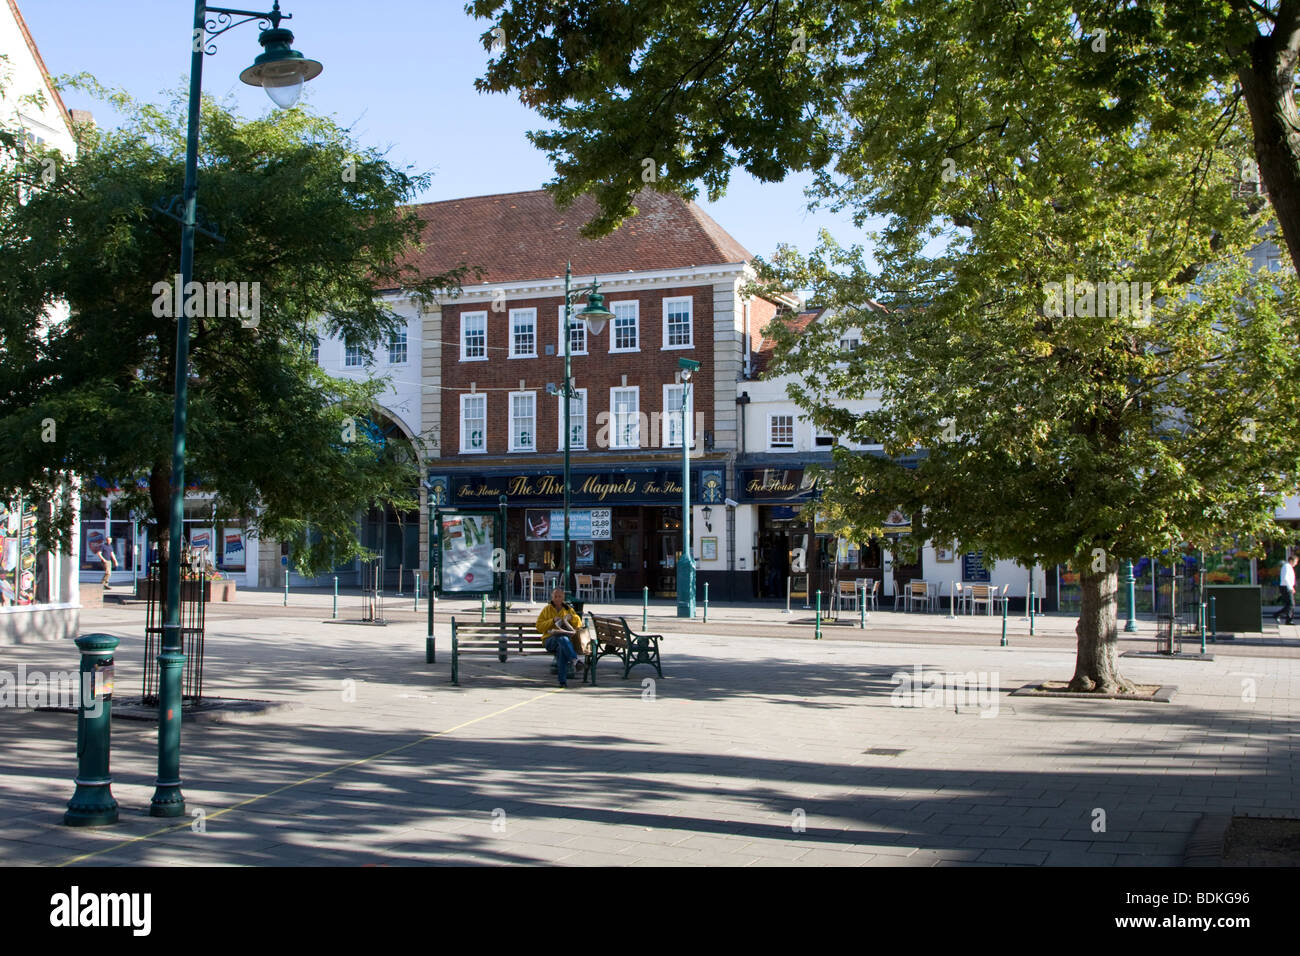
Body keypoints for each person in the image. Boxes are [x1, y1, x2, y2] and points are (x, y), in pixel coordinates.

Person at [536, 588, 587, 687]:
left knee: (561, 648)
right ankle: (575, 661)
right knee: (562, 639)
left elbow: (579, 624)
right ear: (552, 597)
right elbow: (539, 626)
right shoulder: (547, 609)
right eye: (555, 596)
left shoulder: (568, 609)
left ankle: (562, 682)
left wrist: (571, 618)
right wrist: (552, 621)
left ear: (563, 597)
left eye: (559, 596)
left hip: (564, 641)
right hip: (549, 640)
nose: (557, 599)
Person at [1274, 554, 1297, 626]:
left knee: (1290, 604)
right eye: (1295, 561)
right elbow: (1286, 578)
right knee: (1291, 604)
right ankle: (1278, 614)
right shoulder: (1286, 567)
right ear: (1291, 561)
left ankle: (1289, 620)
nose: (1296, 563)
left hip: (1287, 587)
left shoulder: (1288, 567)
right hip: (1286, 587)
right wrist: (1290, 587)